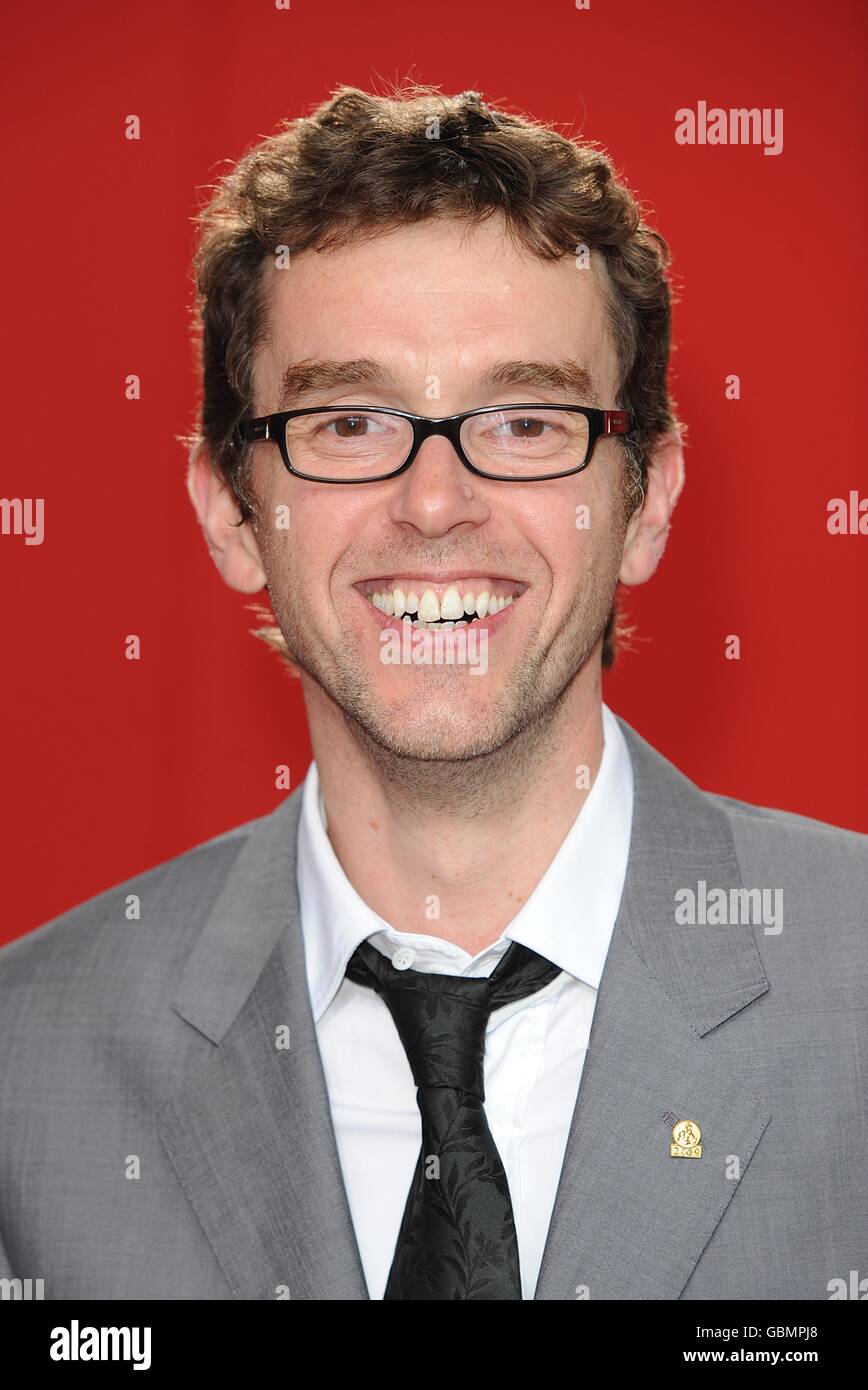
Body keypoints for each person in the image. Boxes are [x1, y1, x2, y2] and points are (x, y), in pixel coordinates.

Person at [1, 85, 865, 1302]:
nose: (435, 501)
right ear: (231, 513)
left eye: (522, 421)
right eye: (350, 421)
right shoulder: (23, 1070)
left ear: (647, 501)